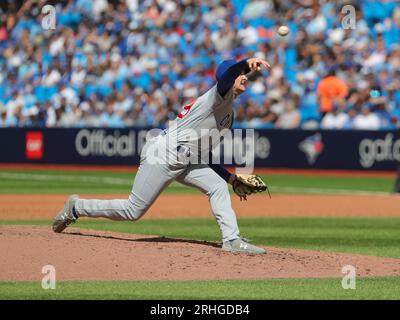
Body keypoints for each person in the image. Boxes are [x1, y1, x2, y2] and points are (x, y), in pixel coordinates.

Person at [52, 57, 271, 254]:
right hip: (163, 155)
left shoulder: (229, 113)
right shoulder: (217, 97)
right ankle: (76, 207)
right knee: (132, 211)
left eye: (245, 75)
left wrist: (230, 178)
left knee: (217, 186)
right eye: (240, 74)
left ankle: (231, 239)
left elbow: (202, 153)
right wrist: (245, 64)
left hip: (186, 159)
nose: (244, 77)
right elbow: (226, 74)